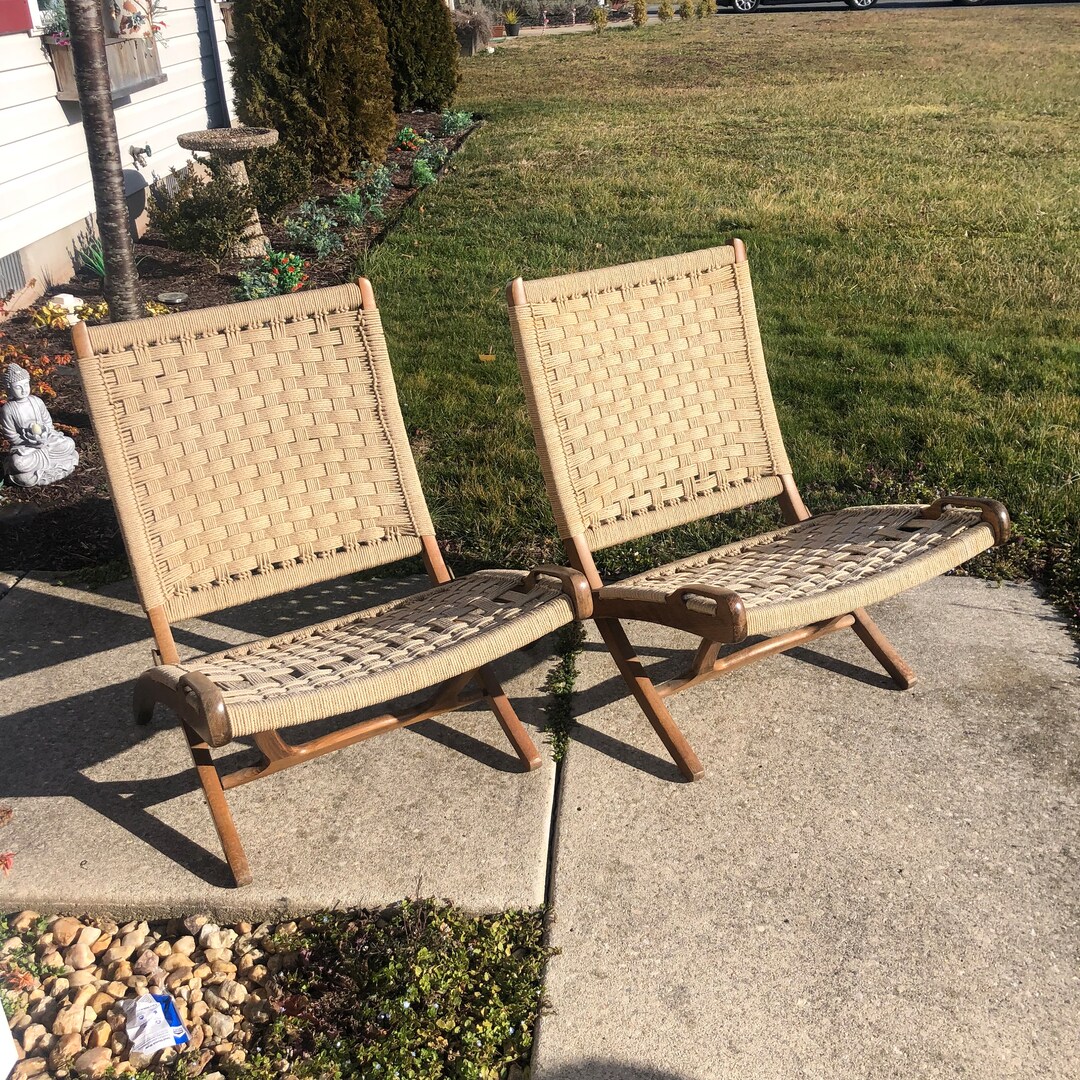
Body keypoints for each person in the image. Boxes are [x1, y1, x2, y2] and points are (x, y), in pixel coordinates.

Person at [1, 362, 79, 486]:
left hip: (46, 440)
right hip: (26, 447)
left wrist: (44, 436)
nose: (23, 389)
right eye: (18, 387)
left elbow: (47, 421)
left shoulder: (36, 401)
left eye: (25, 384)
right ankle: (53, 465)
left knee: (69, 444)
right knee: (18, 463)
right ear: (9, 388)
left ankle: (46, 464)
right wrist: (29, 442)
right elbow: (10, 434)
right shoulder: (8, 409)